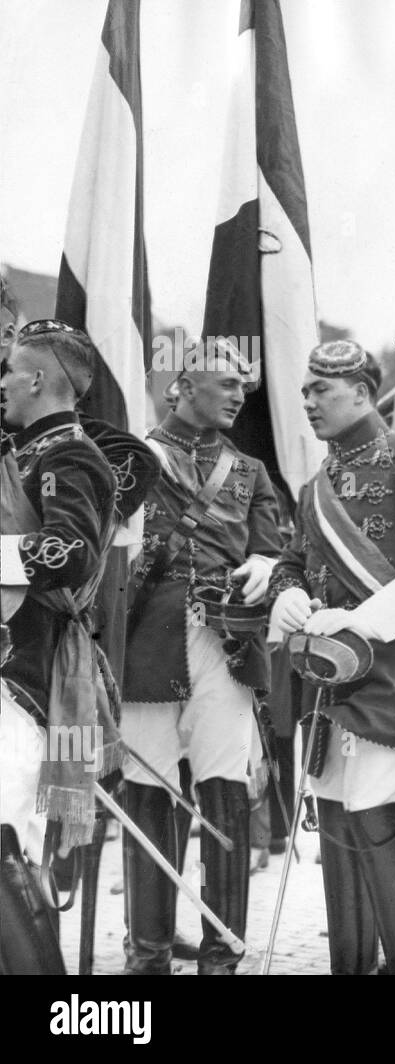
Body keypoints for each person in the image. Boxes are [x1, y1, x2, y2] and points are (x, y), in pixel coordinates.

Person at [269, 340, 395, 975]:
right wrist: (288, 593)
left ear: (361, 391)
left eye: (319, 390)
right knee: (337, 822)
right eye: (303, 391)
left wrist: (359, 623)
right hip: (329, 677)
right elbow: (296, 561)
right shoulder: (315, 484)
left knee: (375, 818)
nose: (307, 402)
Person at [118, 338, 279, 975]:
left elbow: (274, 553)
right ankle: (148, 949)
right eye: (223, 383)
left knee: (224, 789)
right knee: (148, 786)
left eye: (243, 386)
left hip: (224, 643)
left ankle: (223, 946)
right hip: (146, 644)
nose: (238, 395)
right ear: (179, 388)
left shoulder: (250, 473)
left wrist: (266, 566)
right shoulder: (128, 459)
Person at [0, 320, 120, 974]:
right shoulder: (23, 453)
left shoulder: (69, 455)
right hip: (14, 661)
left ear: (40, 379)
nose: (1, 385)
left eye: (8, 372)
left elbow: (67, 553)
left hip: (36, 673)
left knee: (12, 842)